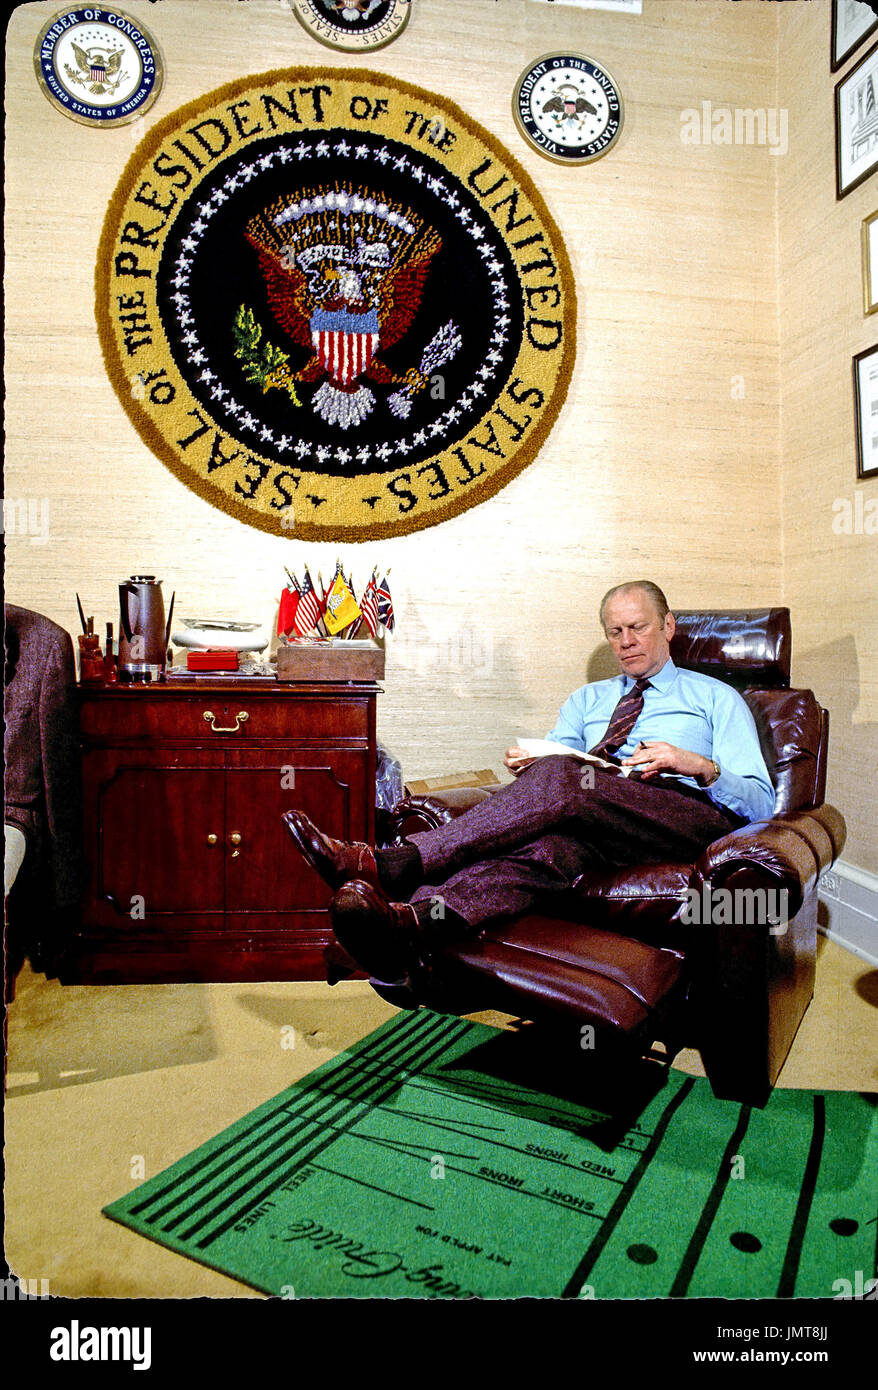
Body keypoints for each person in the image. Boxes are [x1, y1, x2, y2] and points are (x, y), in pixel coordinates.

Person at [283, 581, 775, 985]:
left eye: (638, 627)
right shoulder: (587, 700)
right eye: (615, 631)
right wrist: (533, 766)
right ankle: (407, 926)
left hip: (678, 815)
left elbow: (761, 803)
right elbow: (557, 770)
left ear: (667, 627)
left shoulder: (715, 697)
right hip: (598, 827)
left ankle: (391, 863)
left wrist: (698, 764)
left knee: (567, 777)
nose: (626, 641)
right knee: (546, 851)